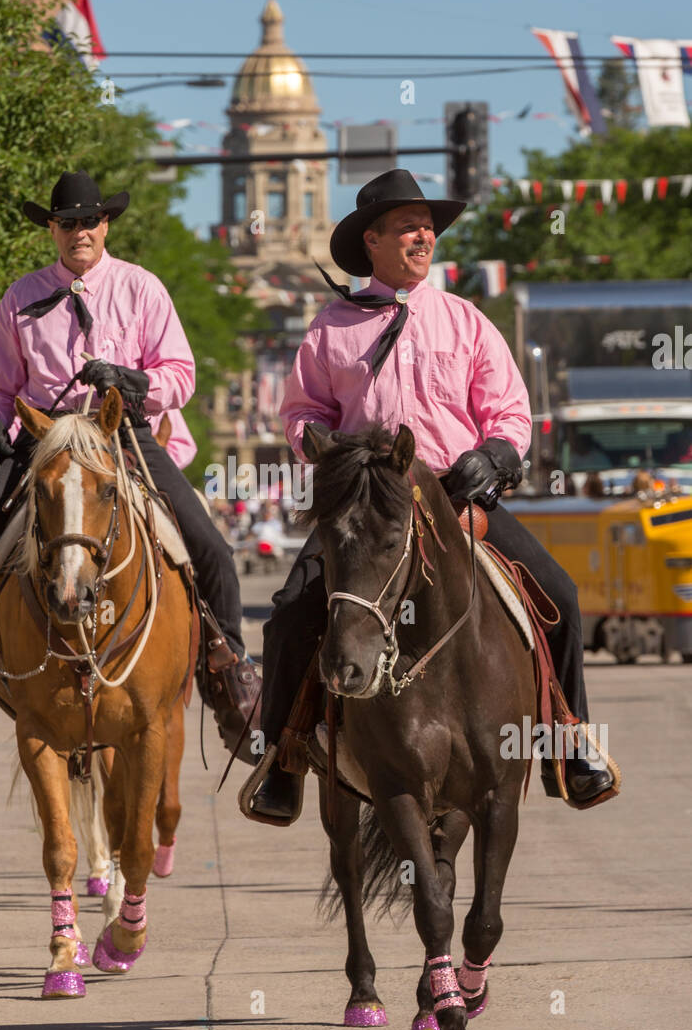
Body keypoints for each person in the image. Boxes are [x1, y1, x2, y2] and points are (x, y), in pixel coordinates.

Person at [241, 169, 616, 825]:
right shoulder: (331, 327)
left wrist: (495, 455)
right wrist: (322, 444)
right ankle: (281, 753)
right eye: (409, 226)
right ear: (374, 241)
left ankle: (568, 740)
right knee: (294, 610)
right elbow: (299, 413)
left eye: (429, 226)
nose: (424, 235)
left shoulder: (467, 321)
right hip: (370, 502)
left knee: (559, 593)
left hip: (455, 499)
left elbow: (509, 411)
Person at [0, 171, 260, 761]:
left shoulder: (142, 288)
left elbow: (180, 374)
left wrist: (132, 381)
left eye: (89, 221)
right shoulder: (20, 297)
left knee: (208, 546)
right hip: (44, 442)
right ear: (53, 231)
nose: (78, 232)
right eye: (67, 223)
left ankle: (228, 670)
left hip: (122, 435)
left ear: (105, 225)